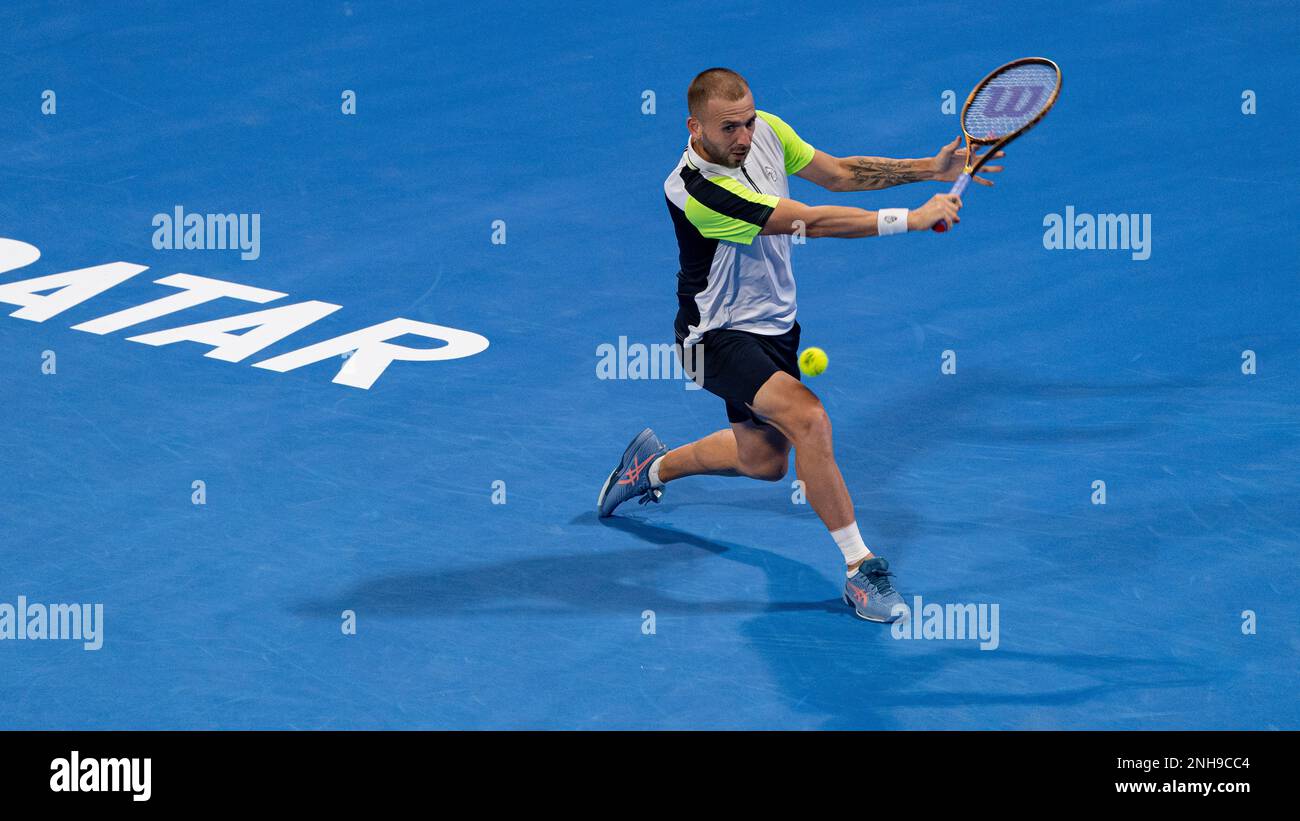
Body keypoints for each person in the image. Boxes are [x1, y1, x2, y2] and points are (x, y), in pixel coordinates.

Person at [597, 67, 1003, 623]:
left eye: (747, 122)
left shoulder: (764, 130)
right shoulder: (700, 192)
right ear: (695, 128)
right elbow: (809, 221)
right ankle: (862, 569)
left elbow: (835, 174)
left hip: (776, 327)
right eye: (728, 129)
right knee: (809, 418)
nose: (744, 137)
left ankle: (648, 469)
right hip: (712, 338)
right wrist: (910, 218)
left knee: (762, 461)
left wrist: (928, 168)